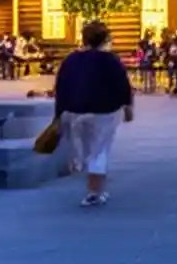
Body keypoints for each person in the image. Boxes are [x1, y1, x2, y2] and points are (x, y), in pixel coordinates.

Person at [53, 20, 134, 207]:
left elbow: (61, 87)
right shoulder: (111, 60)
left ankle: (90, 177)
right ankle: (94, 191)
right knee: (100, 151)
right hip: (104, 111)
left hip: (76, 109)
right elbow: (122, 85)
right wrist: (127, 106)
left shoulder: (71, 60)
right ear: (105, 39)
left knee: (88, 148)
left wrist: (58, 115)